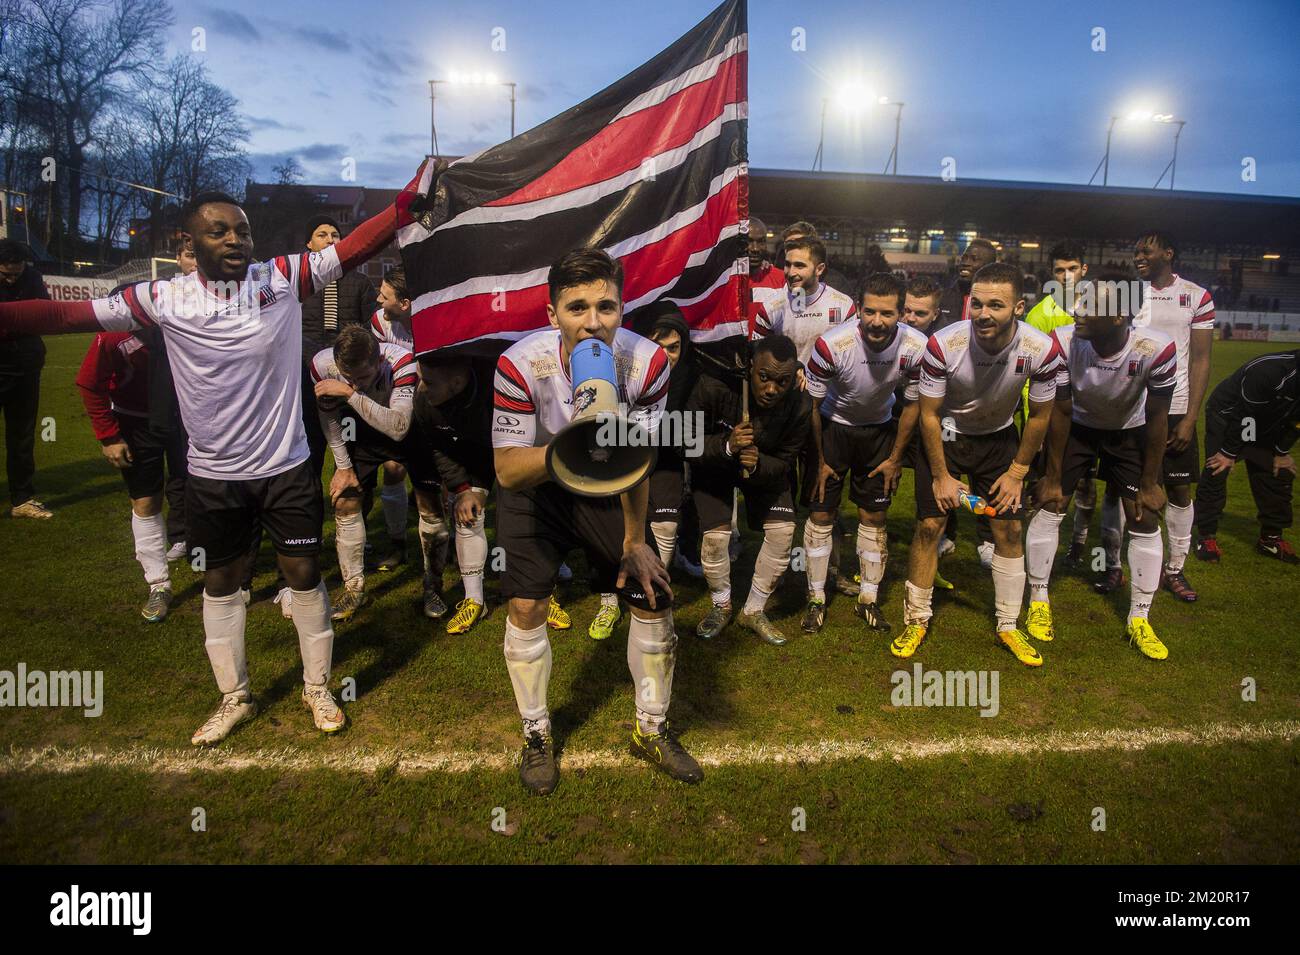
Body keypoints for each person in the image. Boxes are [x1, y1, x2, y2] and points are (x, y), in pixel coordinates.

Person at [0, 179, 419, 745]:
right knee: (221, 583)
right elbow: (67, 317)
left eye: (242, 230)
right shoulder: (163, 297)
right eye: (218, 230)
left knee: (302, 576)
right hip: (214, 474)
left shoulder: (278, 278)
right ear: (190, 242)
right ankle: (234, 696)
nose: (234, 239)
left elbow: (353, 249)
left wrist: (407, 200)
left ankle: (317, 687)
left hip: (287, 467)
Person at [492, 248, 701, 794]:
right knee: (526, 604)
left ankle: (651, 728)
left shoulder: (650, 363)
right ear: (551, 313)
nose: (592, 322)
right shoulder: (518, 364)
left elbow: (637, 461)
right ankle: (537, 731)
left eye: (606, 307)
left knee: (652, 593)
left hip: (609, 485)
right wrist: (571, 450)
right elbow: (508, 472)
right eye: (576, 307)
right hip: (539, 487)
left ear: (623, 307)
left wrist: (636, 540)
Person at [899, 262, 1063, 665]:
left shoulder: (1041, 349)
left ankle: (1008, 624)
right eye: (977, 303)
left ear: (1019, 307)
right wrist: (941, 475)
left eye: (996, 305)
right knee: (929, 526)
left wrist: (1017, 472)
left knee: (1007, 528)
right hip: (948, 435)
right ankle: (916, 618)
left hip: (999, 439)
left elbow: (1041, 416)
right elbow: (930, 414)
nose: (983, 314)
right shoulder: (942, 345)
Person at [1026, 271, 1178, 660]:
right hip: (1076, 426)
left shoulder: (1156, 349)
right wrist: (1053, 476)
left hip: (1129, 430)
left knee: (1142, 515)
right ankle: (1039, 601)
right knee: (1052, 502)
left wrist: (1150, 480)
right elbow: (1059, 409)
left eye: (1090, 304)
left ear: (1119, 316)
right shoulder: (1062, 341)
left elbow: (1159, 418)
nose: (1077, 309)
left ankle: (1140, 619)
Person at [802, 272, 927, 634]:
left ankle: (868, 599)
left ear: (901, 312)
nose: (877, 321)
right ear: (858, 309)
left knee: (874, 518)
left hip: (880, 433)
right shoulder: (832, 345)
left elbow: (915, 406)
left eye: (887, 313)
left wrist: (895, 458)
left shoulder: (915, 347)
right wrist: (819, 459)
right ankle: (815, 598)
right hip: (832, 428)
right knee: (822, 514)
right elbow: (810, 405)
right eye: (869, 311)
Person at [1096, 232, 1214, 601]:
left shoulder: (1197, 296)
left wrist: (1190, 417)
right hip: (1129, 405)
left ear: (1169, 252)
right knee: (1118, 489)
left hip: (1174, 406)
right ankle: (1113, 566)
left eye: (1146, 250)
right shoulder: (1128, 293)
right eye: (1136, 251)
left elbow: (1199, 359)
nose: (1139, 255)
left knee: (1179, 490)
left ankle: (1175, 570)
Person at [311, 325, 446, 622]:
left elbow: (398, 427)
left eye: (362, 378)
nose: (356, 383)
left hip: (411, 431)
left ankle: (432, 586)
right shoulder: (323, 365)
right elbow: (329, 418)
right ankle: (353, 588)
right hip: (361, 432)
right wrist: (343, 467)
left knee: (431, 509)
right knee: (345, 499)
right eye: (349, 377)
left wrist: (348, 392)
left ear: (379, 362)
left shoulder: (402, 361)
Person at [690, 334, 810, 644]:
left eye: (782, 382)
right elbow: (687, 441)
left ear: (794, 375)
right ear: (751, 367)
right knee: (716, 539)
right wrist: (726, 446)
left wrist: (757, 464)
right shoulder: (713, 385)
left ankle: (753, 610)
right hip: (715, 466)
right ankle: (722, 605)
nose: (771, 389)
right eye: (764, 377)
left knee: (784, 534)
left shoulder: (800, 404)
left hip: (764, 470)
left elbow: (785, 462)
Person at [589, 301, 697, 642]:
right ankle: (609, 599)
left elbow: (691, 438)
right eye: (658, 346)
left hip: (662, 460)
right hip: (616, 461)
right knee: (605, 529)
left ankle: (651, 586)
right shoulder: (621, 369)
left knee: (663, 524)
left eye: (674, 347)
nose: (666, 355)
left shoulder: (693, 377)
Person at [76, 330, 186, 621]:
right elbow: (89, 383)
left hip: (189, 416)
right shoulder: (115, 338)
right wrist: (108, 436)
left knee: (201, 489)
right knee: (146, 500)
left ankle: (216, 568)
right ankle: (159, 583)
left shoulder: (187, 322)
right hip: (137, 424)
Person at [411, 354, 503, 634]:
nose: (422, 388)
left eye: (429, 382)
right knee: (467, 513)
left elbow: (502, 445)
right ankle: (475, 600)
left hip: (509, 449)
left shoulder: (495, 389)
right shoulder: (423, 400)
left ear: (457, 382)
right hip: (464, 454)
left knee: (527, 511)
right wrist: (463, 488)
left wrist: (485, 486)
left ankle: (550, 585)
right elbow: (438, 447)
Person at [1023, 240, 1097, 566]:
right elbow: (1029, 376)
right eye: (1058, 270)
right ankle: (1037, 552)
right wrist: (1035, 426)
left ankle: (1079, 543)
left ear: (1084, 269)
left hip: (1094, 413)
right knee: (1050, 483)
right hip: (1056, 413)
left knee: (1088, 482)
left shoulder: (1101, 309)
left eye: (1071, 268)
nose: (1066, 276)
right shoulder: (1039, 315)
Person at [1194, 349, 1299, 564]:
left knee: (1279, 472)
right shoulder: (1268, 371)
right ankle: (1206, 536)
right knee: (1217, 468)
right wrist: (1228, 453)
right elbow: (1245, 415)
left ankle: (1270, 539)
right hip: (1228, 416)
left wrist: (1281, 451)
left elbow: (1298, 420)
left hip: (1267, 423)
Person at [299, 215, 379, 482]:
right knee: (310, 453)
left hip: (349, 379)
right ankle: (309, 517)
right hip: (306, 379)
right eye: (322, 234)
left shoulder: (359, 283)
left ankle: (351, 515)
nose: (331, 239)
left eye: (335, 234)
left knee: (352, 451)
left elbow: (372, 330)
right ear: (309, 244)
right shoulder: (297, 284)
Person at [0, 240, 51, 519]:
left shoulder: (32, 278)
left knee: (22, 435)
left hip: (25, 366)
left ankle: (22, 498)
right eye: (5, 274)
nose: (11, 280)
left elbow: (42, 313)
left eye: (16, 274)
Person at [937, 238, 997, 329]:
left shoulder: (999, 302)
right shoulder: (941, 297)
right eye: (963, 258)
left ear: (990, 267)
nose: (965, 263)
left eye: (974, 259)